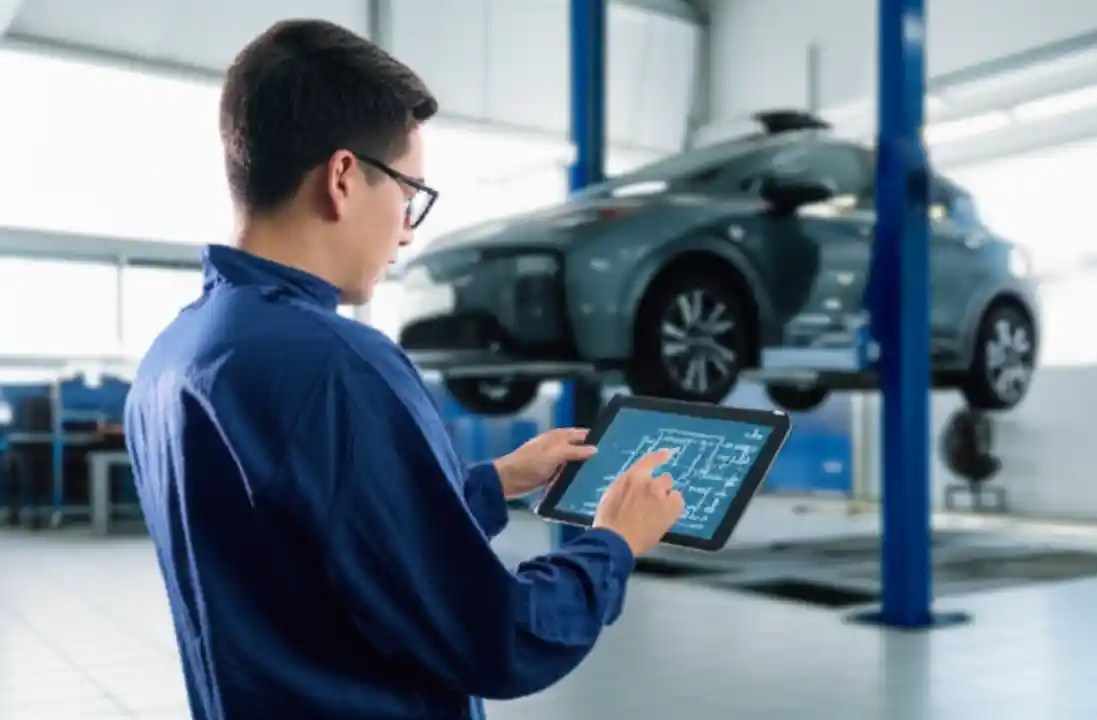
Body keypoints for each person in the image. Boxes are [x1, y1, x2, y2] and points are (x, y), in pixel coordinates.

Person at [123, 18, 685, 720]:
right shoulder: (338, 364)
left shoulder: (178, 354)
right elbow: (497, 636)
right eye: (409, 191)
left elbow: (326, 543)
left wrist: (493, 483)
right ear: (344, 177)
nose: (409, 227)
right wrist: (613, 543)